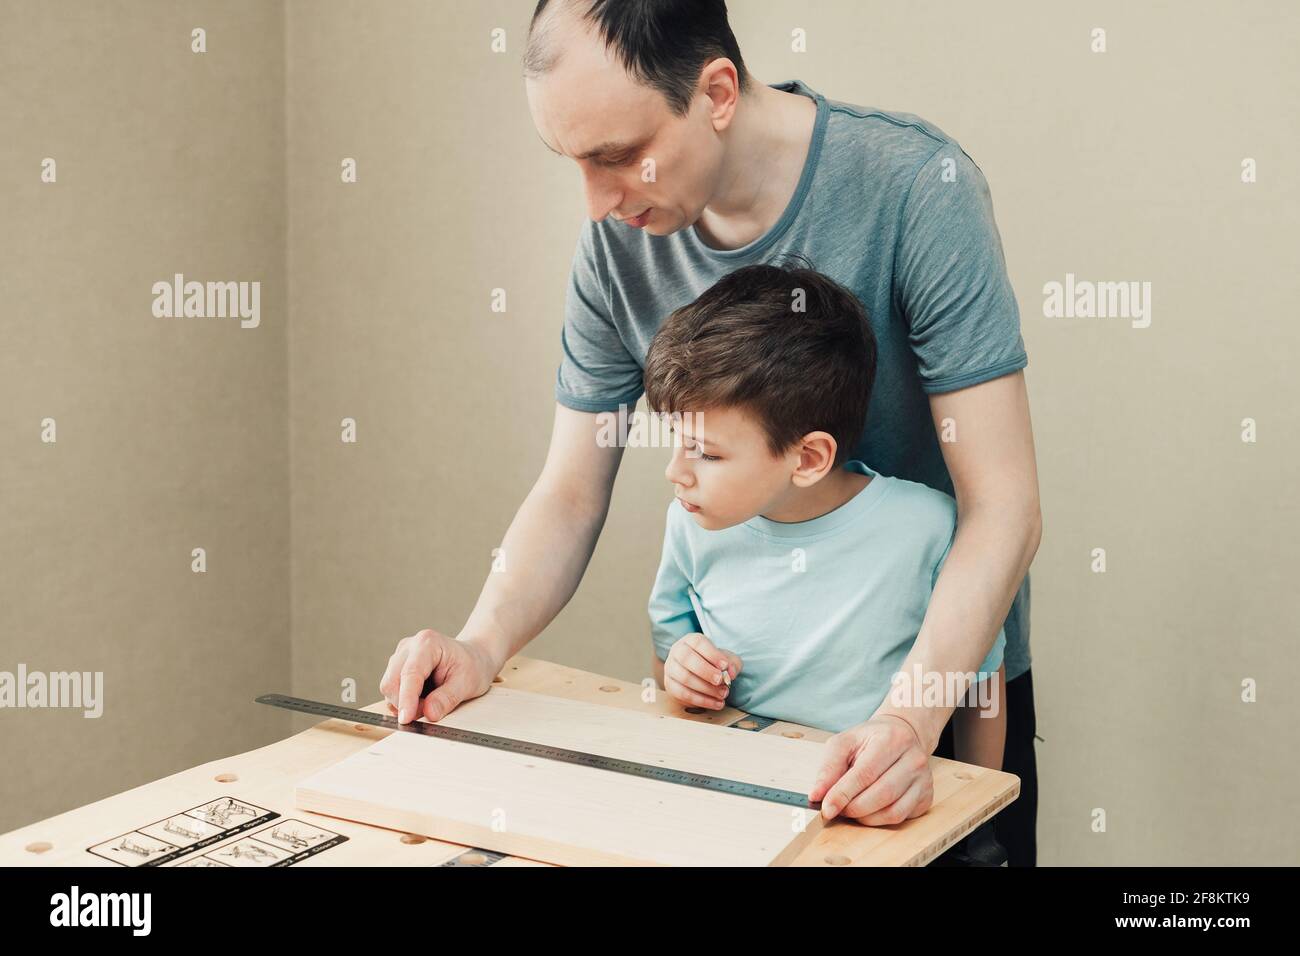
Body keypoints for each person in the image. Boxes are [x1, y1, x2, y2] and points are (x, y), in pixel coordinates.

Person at [379, 0, 1042, 863]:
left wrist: (910, 722)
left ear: (717, 92)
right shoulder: (616, 242)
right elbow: (572, 490)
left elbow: (1006, 507)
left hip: (934, 693)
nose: (597, 201)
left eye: (617, 157)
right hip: (754, 717)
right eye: (573, 161)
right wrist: (480, 642)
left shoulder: (916, 187)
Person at [644, 262, 1007, 776]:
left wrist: (979, 832)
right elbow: (665, 664)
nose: (674, 471)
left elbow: (981, 682)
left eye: (704, 452)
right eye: (676, 440)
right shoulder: (689, 523)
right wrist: (681, 671)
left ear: (809, 458)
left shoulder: (927, 530)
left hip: (868, 812)